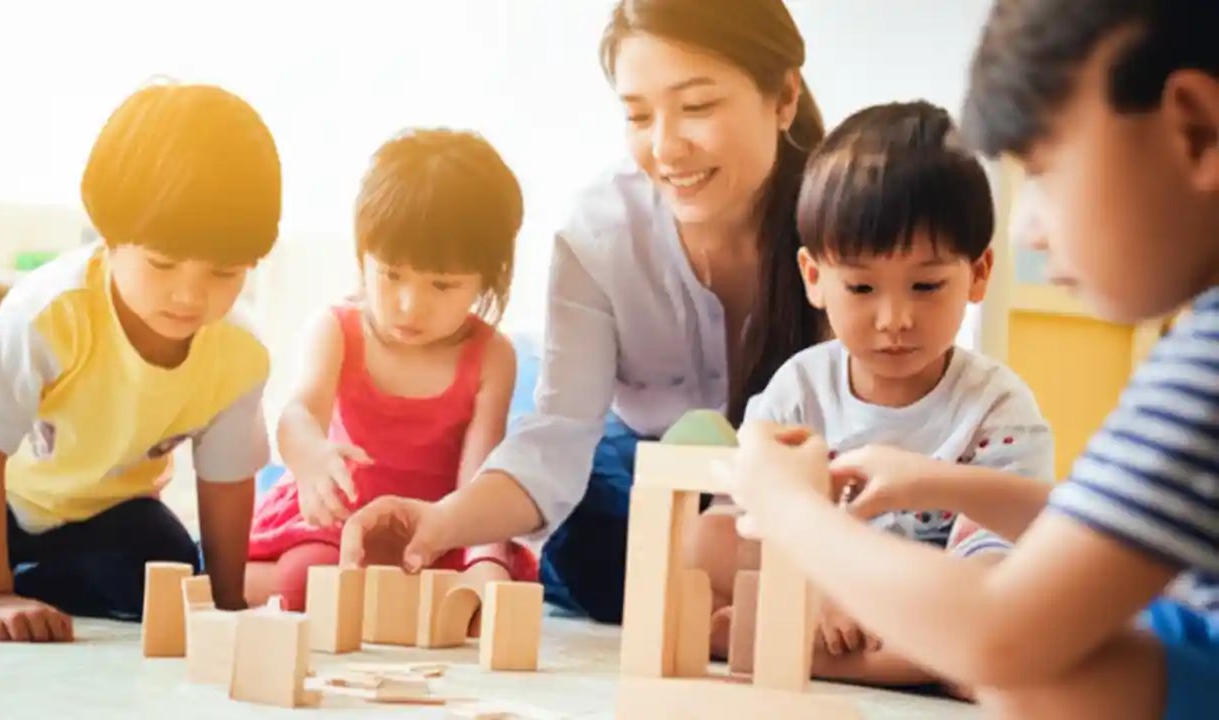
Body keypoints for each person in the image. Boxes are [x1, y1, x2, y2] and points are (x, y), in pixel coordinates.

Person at [720, 1, 1219, 717]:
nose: (1029, 229)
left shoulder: (1205, 364)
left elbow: (1001, 635)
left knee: (1040, 660)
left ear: (1196, 132)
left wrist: (791, 508)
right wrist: (935, 483)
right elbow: (1103, 530)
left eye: (1044, 171)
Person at [341, 0, 826, 624]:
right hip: (641, 465)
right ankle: (705, 588)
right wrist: (441, 521)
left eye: (698, 107)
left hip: (792, 481)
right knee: (590, 527)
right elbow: (560, 438)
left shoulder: (845, 215)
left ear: (783, 96)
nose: (666, 147)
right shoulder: (598, 233)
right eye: (638, 115)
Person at [688, 101, 1053, 689]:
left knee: (1008, 600)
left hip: (931, 606)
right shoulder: (800, 385)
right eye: (860, 286)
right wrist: (823, 589)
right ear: (814, 278)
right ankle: (827, 642)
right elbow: (753, 512)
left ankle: (805, 652)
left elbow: (1006, 560)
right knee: (708, 535)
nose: (894, 319)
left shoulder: (997, 407)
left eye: (927, 285)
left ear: (979, 273)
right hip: (814, 580)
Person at [0, 82, 280, 642]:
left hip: (101, 512)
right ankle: (2, 583)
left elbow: (226, 478)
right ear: (109, 237)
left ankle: (34, 584)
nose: (190, 298)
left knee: (168, 567)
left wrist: (227, 600)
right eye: (163, 264)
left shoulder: (240, 353)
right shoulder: (48, 311)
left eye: (223, 273)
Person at [246, 129, 536, 611]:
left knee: (482, 599)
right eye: (391, 275)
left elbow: (480, 480)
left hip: (432, 530)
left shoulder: (491, 357)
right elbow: (298, 414)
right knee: (308, 580)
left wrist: (487, 562)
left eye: (442, 286)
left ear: (488, 278)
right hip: (335, 523)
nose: (408, 306)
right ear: (363, 257)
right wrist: (312, 459)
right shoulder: (338, 329)